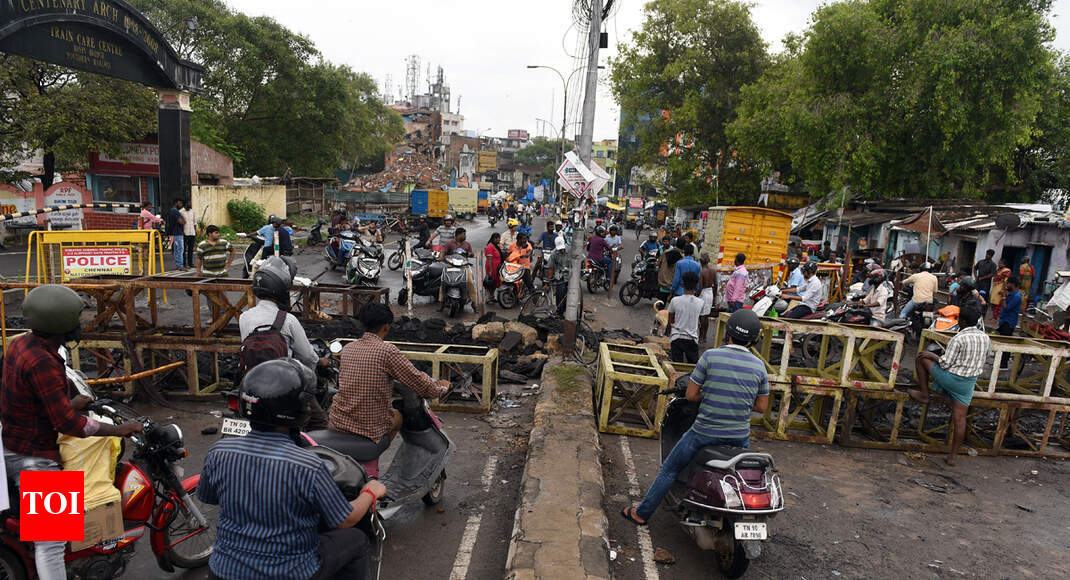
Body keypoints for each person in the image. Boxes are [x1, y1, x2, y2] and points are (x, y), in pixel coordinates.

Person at [2, 285, 144, 579]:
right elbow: (69, 424)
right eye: (76, 320)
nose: (79, 326)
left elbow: (31, 396)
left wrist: (69, 402)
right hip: (34, 456)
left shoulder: (20, 344)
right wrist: (119, 429)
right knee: (51, 542)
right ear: (61, 324)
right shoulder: (44, 361)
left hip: (11, 440)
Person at [199, 359, 383, 580]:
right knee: (356, 539)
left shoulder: (219, 451)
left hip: (223, 571)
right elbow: (344, 520)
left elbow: (208, 497)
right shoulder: (308, 466)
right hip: (290, 572)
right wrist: (370, 491)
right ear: (298, 409)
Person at [621, 309, 769, 525]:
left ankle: (641, 513)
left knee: (670, 468)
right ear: (754, 340)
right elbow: (762, 406)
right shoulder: (759, 367)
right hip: (739, 437)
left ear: (727, 334)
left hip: (704, 432)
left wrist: (710, 396)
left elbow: (690, 395)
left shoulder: (710, 357)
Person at [330, 304, 449, 453]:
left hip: (339, 419)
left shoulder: (348, 348)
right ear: (386, 327)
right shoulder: (387, 351)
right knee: (398, 417)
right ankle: (375, 453)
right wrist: (440, 388)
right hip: (369, 427)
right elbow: (416, 380)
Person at [239, 256, 331, 428]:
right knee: (321, 423)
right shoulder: (288, 320)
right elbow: (307, 355)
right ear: (281, 289)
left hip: (250, 383)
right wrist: (320, 362)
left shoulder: (244, 317)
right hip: (283, 386)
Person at [908, 306, 989, 466]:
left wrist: (932, 355)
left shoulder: (958, 338)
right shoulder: (985, 337)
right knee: (960, 419)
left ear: (963, 322)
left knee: (921, 358)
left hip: (952, 379)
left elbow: (945, 364)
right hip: (968, 384)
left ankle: (924, 395)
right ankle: (952, 456)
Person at [668, 271, 704, 363]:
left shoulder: (675, 300)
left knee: (676, 366)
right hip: (692, 339)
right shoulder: (701, 302)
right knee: (693, 367)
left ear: (683, 285)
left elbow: (670, 319)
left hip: (676, 337)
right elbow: (699, 320)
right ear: (696, 286)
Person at [997, 278, 1021, 370]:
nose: (1007, 285)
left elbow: (1007, 308)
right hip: (1004, 320)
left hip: (1009, 322)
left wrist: (1003, 298)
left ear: (1014, 285)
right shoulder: (1011, 294)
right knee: (1002, 342)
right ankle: (1001, 362)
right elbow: (1001, 292)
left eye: (1009, 283)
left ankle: (1003, 364)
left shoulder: (1016, 296)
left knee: (1005, 343)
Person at [545, 236, 572, 316]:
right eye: (560, 249)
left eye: (563, 249)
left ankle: (568, 311)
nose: (562, 251)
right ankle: (559, 312)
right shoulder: (554, 254)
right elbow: (550, 268)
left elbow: (581, 256)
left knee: (570, 294)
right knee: (560, 293)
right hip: (559, 275)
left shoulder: (570, 249)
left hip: (570, 274)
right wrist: (548, 282)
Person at [656, 237, 682, 303]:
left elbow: (658, 263)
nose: (666, 243)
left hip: (663, 284)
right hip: (673, 286)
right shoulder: (681, 257)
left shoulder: (665, 253)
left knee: (661, 305)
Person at [698, 254, 718, 343]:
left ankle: (701, 336)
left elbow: (700, 287)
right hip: (710, 293)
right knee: (706, 316)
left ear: (701, 261)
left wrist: (696, 295)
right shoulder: (713, 271)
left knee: (702, 316)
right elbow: (716, 284)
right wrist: (714, 297)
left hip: (703, 293)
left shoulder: (702, 272)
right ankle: (704, 336)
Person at [973, 249, 997, 315]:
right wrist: (976, 277)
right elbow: (975, 268)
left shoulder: (993, 264)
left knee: (984, 297)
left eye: (989, 255)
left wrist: (982, 278)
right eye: (987, 254)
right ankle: (974, 309)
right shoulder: (981, 262)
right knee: (975, 295)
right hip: (978, 282)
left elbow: (992, 274)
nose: (987, 256)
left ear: (991, 256)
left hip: (986, 284)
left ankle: (982, 313)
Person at [167, 199, 186, 269]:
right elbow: (181, 221)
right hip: (178, 232)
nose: (181, 204)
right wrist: (183, 220)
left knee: (176, 249)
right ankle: (180, 265)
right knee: (180, 250)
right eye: (180, 203)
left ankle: (178, 264)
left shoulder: (171, 211)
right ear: (176, 203)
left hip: (173, 233)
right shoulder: (175, 211)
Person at [484, 232, 503, 300]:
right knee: (490, 282)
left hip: (496, 267)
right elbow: (489, 260)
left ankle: (492, 296)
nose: (499, 240)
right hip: (492, 267)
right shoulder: (490, 247)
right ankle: (488, 297)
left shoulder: (495, 245)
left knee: (495, 282)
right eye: (498, 239)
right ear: (494, 239)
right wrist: (490, 271)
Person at [178, 200, 196, 270]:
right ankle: (184, 264)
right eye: (189, 203)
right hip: (185, 233)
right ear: (185, 204)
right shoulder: (181, 212)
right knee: (184, 249)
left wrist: (195, 232)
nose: (190, 204)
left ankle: (190, 263)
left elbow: (194, 222)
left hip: (192, 232)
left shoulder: (192, 211)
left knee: (191, 249)